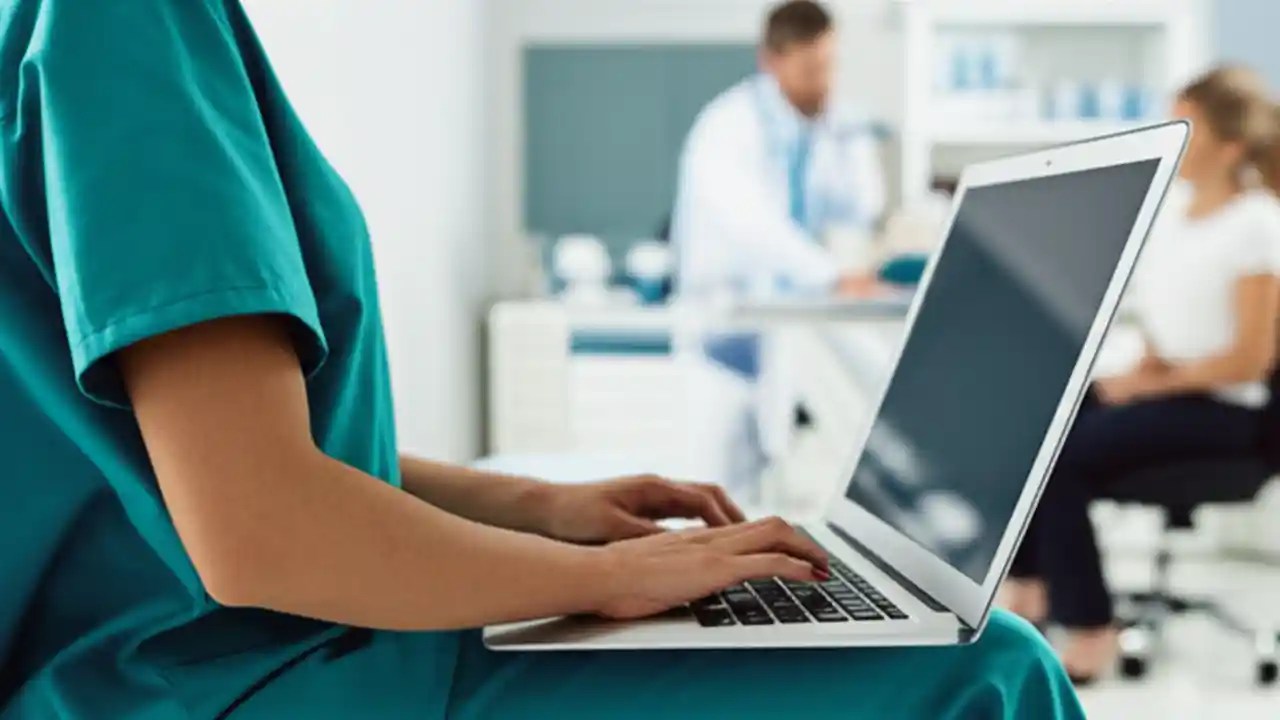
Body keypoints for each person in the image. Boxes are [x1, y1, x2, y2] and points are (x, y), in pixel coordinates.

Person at [0, 2, 1083, 718]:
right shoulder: (122, 24)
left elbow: (191, 463)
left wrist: (532, 506)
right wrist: (609, 578)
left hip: (168, 665)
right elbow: (255, 529)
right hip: (234, 679)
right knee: (988, 671)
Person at [1002, 65, 1280, 683]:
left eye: (1189, 125)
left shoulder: (1257, 224)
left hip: (1229, 410)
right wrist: (1147, 364)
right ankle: (1028, 586)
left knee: (1065, 457)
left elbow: (1249, 359)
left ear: (1231, 146)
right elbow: (1174, 321)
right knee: (1031, 425)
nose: (1170, 134)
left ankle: (1092, 627)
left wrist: (1147, 384)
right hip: (1170, 387)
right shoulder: (1179, 215)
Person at [671, 0, 885, 498]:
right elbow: (752, 225)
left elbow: (861, 206)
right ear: (771, 60)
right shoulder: (727, 127)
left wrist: (852, 138)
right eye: (810, 68)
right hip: (717, 334)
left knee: (764, 483)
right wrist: (831, 276)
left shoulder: (819, 130)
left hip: (776, 331)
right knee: (711, 490)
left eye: (829, 66)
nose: (822, 82)